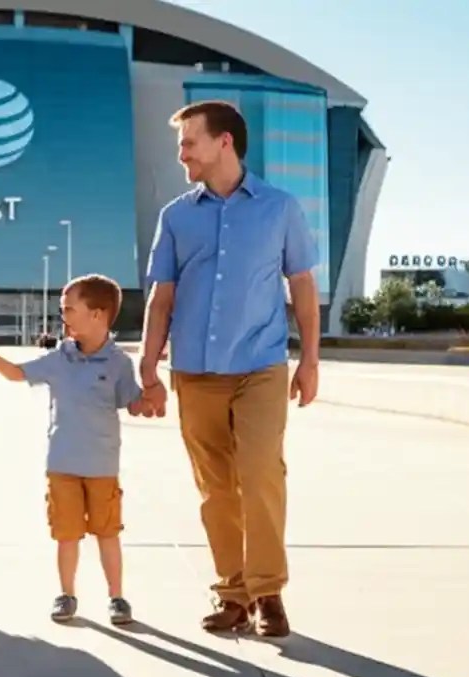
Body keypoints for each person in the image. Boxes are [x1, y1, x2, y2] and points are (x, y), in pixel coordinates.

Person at [138, 101, 320, 638]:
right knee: (215, 488)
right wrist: (148, 365)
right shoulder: (176, 215)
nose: (181, 152)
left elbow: (303, 288)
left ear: (225, 143)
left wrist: (310, 361)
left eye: (189, 140)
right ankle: (233, 593)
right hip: (194, 371)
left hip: (260, 364)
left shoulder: (280, 208)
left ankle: (268, 593)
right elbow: (160, 298)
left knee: (261, 472)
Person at [0, 274, 149, 626]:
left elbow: (131, 402)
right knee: (66, 535)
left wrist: (151, 398)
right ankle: (66, 594)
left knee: (107, 533)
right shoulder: (58, 359)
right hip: (62, 464)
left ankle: (117, 597)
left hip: (102, 466)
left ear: (97, 315)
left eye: (69, 309)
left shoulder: (119, 363)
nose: (63, 316)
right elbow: (17, 374)